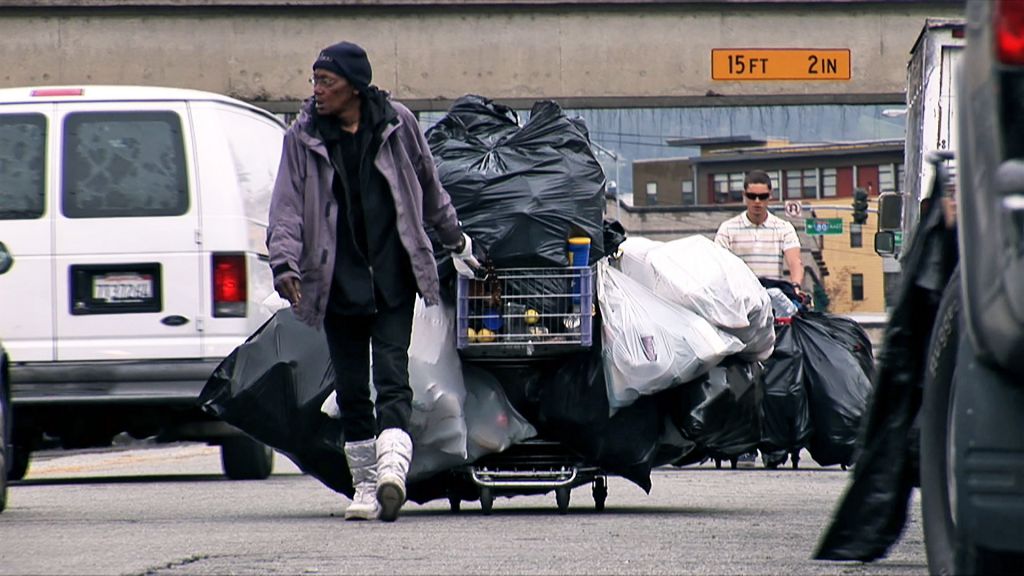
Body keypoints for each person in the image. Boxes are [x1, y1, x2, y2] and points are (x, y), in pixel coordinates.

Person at [268, 41, 480, 522]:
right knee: (350, 386)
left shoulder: (398, 124)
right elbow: (285, 209)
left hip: (393, 274)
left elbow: (429, 188)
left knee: (391, 377)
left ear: (355, 87)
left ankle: (392, 474)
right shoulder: (302, 138)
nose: (317, 91)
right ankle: (365, 485)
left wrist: (458, 242)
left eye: (327, 81)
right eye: (314, 80)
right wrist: (285, 265)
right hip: (335, 279)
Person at [714, 169, 803, 468]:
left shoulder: (782, 228)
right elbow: (719, 268)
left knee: (779, 375)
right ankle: (743, 443)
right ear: (744, 196)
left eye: (763, 197)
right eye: (752, 196)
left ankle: (774, 440)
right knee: (740, 376)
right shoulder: (728, 229)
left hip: (773, 311)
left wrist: (798, 288)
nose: (757, 202)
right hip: (739, 312)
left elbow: (794, 262)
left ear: (770, 197)